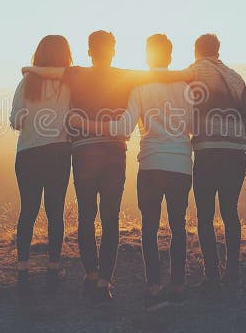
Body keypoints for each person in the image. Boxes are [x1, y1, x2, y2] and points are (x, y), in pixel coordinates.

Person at [23, 30, 187, 307]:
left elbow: (50, 72)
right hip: (114, 153)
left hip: (84, 152)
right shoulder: (126, 76)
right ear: (113, 51)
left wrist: (30, 69)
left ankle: (91, 272)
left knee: (86, 216)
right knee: (111, 220)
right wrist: (189, 74)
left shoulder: (75, 74)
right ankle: (104, 282)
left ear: (89, 51)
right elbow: (162, 75)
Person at [74, 34, 192, 311]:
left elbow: (123, 128)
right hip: (181, 164)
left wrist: (85, 124)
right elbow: (197, 121)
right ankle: (178, 285)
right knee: (179, 226)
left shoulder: (141, 88)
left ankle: (154, 287)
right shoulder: (187, 86)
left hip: (151, 163)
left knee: (149, 229)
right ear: (171, 56)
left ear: (148, 57)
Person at [188, 33, 246, 294]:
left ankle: (212, 275)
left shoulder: (193, 72)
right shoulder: (236, 77)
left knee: (205, 215)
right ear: (217, 51)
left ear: (196, 51)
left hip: (207, 152)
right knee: (230, 212)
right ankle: (233, 274)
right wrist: (242, 143)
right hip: (235, 154)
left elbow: (185, 109)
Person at [9, 35, 73, 294]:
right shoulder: (70, 84)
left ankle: (23, 269)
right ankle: (53, 267)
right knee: (55, 212)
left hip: (28, 154)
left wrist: (29, 118)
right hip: (58, 152)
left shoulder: (27, 83)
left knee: (28, 211)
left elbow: (15, 121)